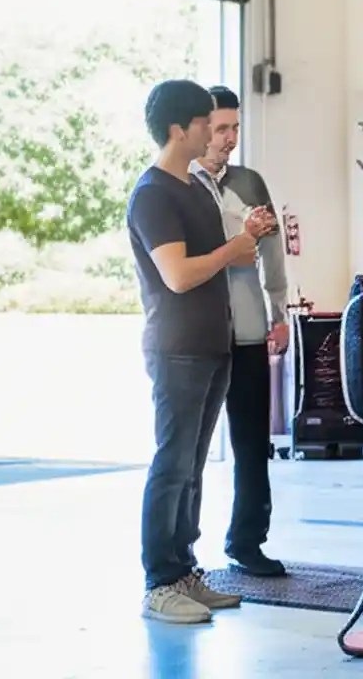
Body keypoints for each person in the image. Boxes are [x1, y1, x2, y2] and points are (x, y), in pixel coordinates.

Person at [128, 79, 278, 624]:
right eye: (203, 123)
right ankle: (159, 581)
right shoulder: (154, 195)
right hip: (178, 349)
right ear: (179, 129)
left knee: (191, 466)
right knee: (172, 464)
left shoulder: (193, 189)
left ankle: (185, 570)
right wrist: (232, 250)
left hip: (213, 346)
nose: (213, 133)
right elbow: (178, 274)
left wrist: (245, 244)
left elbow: (220, 260)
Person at [190, 85, 290, 577]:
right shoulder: (179, 185)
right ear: (199, 128)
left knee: (253, 444)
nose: (230, 138)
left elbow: (272, 251)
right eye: (222, 128)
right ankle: (179, 554)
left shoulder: (249, 182)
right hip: (200, 334)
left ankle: (247, 541)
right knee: (189, 447)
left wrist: (278, 312)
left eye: (235, 128)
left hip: (248, 330)